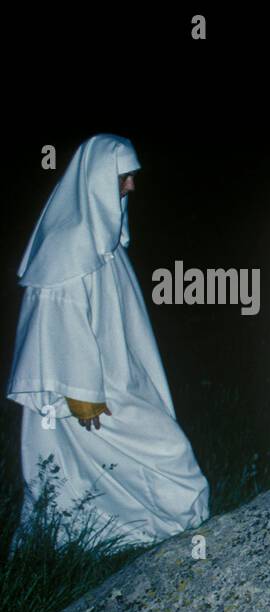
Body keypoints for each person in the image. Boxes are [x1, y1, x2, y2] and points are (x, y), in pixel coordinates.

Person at [8, 133, 210, 550]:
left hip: (118, 382)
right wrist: (80, 391)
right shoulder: (66, 247)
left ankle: (143, 535)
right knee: (163, 456)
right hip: (82, 393)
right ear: (98, 179)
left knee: (157, 456)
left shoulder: (106, 246)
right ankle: (102, 543)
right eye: (124, 178)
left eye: (132, 177)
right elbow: (53, 324)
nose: (131, 187)